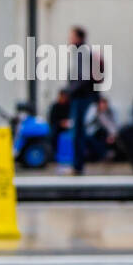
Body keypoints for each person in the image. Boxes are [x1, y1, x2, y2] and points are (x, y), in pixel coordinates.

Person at [64, 26, 98, 174]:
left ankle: (78, 165)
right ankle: (78, 164)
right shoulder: (83, 53)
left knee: (77, 133)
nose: (69, 39)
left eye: (71, 36)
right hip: (82, 97)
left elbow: (82, 79)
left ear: (78, 38)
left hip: (81, 98)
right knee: (79, 132)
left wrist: (69, 91)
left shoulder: (81, 54)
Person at [48, 88, 71, 157]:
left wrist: (67, 122)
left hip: (69, 126)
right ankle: (54, 153)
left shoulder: (70, 106)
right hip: (58, 126)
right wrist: (60, 123)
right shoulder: (55, 106)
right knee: (53, 134)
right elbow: (52, 119)